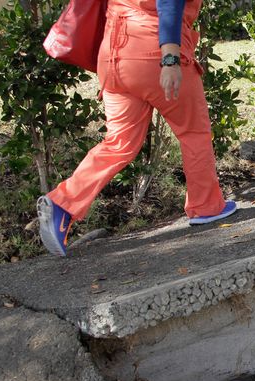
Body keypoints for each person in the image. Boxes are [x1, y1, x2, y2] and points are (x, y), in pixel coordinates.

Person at [37, 0, 237, 257]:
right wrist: (170, 59)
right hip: (154, 52)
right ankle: (206, 206)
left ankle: (62, 204)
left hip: (112, 57)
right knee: (193, 132)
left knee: (119, 143)